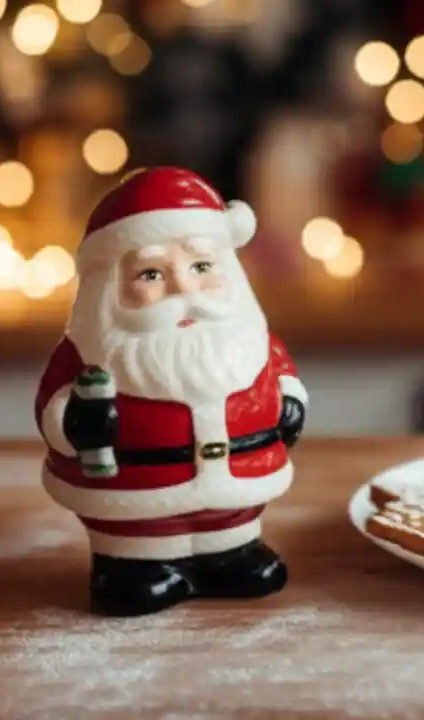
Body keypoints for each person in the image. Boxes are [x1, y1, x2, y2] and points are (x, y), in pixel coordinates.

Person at [33, 167, 307, 616]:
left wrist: (291, 401)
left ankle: (231, 554)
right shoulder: (91, 352)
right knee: (137, 569)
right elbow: (53, 404)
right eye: (152, 274)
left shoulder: (250, 338)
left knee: (235, 545)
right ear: (110, 288)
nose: (183, 288)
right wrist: (75, 422)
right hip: (134, 509)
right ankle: (135, 568)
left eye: (201, 266)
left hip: (238, 499)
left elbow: (281, 373)